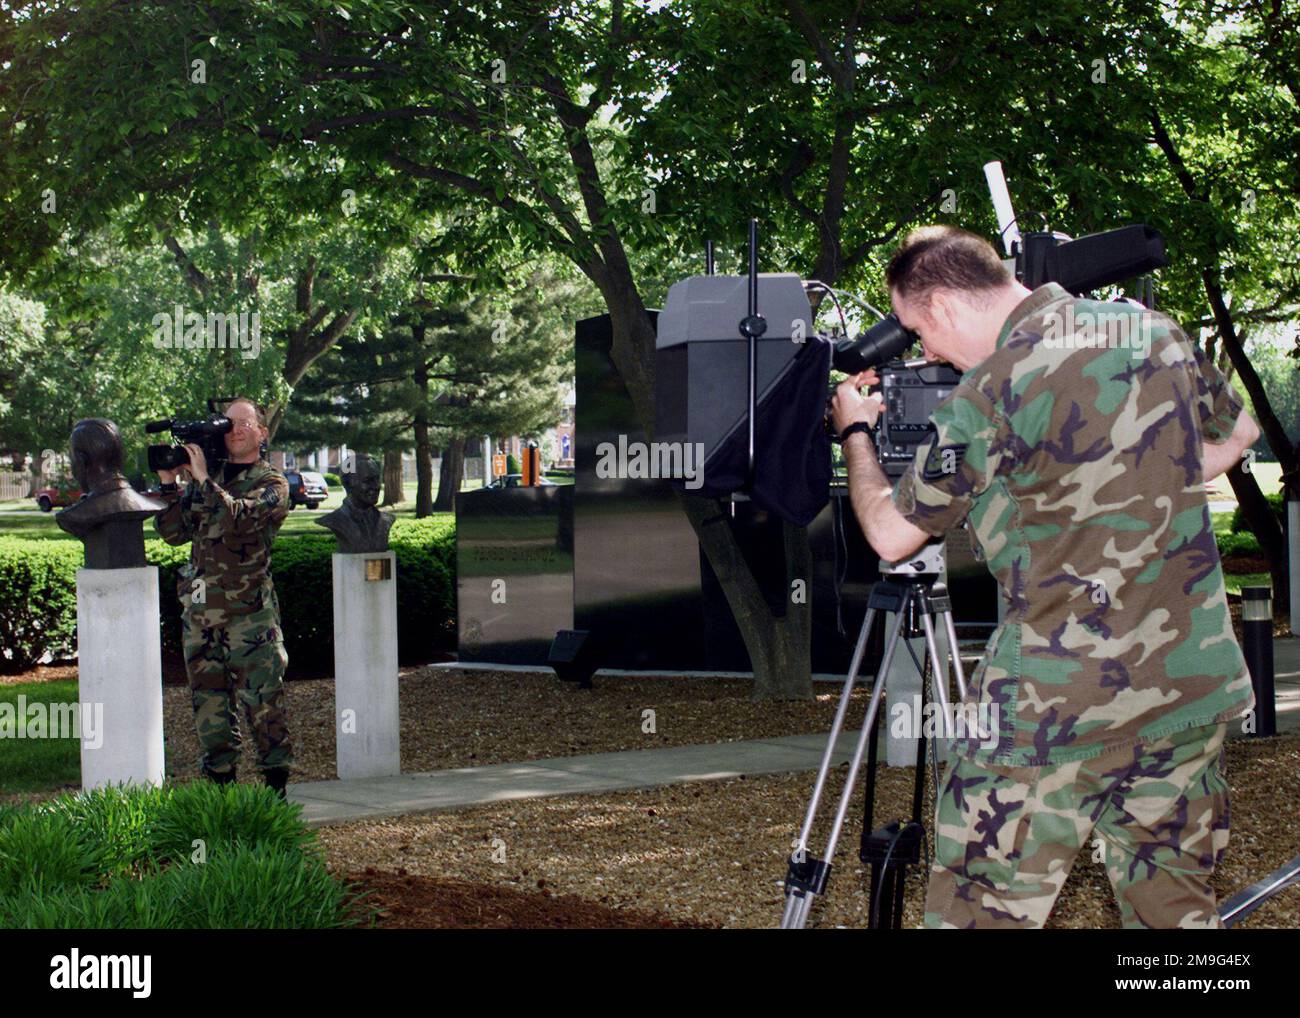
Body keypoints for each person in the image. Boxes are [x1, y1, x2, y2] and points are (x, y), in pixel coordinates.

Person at [830, 225, 1259, 929]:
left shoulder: (991, 390)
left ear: (938, 306)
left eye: (917, 331)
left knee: (979, 916)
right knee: (1176, 917)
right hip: (1189, 689)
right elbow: (1236, 438)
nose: (927, 352)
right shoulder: (1150, 328)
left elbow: (889, 534)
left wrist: (856, 433)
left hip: (1051, 712)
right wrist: (1131, 489)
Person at [153, 396, 294, 797]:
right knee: (209, 710)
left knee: (264, 706)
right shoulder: (206, 479)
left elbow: (239, 518)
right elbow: (173, 534)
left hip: (250, 617)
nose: (234, 430)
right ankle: (222, 797)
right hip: (200, 617)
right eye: (227, 424)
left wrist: (200, 479)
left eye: (244, 423)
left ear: (262, 433)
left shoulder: (272, 484)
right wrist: (168, 485)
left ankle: (275, 795)